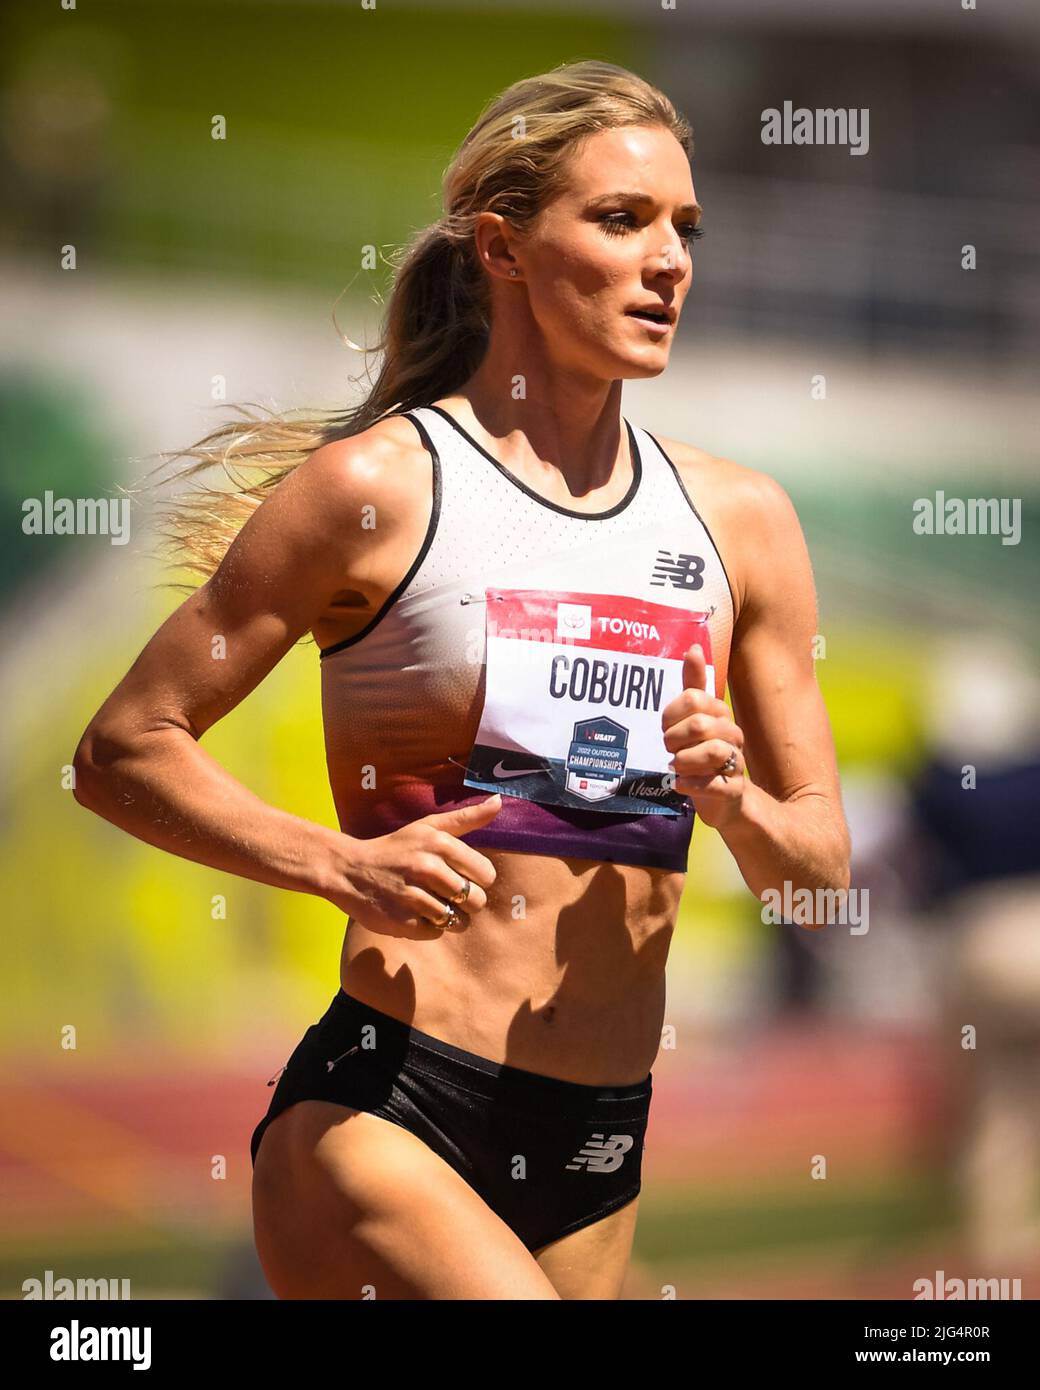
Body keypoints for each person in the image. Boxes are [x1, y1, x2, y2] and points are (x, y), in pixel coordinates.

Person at [72, 60, 849, 1300]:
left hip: (598, 1139)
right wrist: (339, 862)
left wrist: (739, 806)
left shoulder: (743, 524)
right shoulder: (375, 491)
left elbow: (817, 880)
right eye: (620, 219)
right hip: (389, 1106)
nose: (668, 261)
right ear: (501, 245)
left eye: (684, 229)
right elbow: (121, 749)